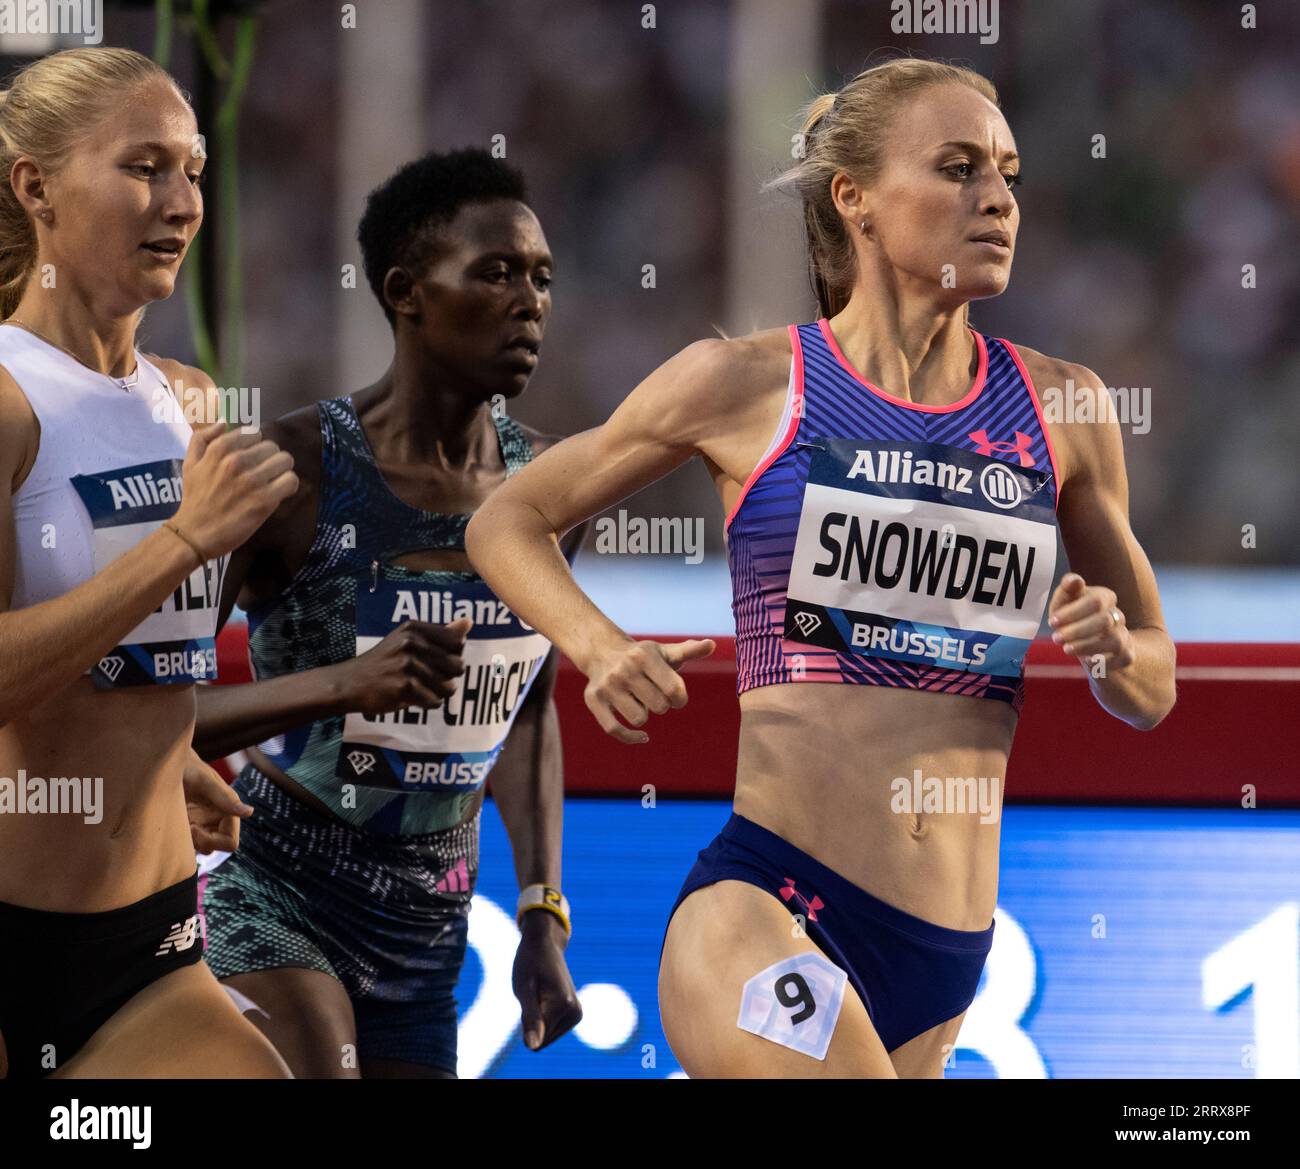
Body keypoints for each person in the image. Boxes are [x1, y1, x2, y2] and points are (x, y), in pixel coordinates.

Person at [465, 58, 1177, 1078]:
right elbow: (507, 519)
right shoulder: (747, 383)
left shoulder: (1064, 407)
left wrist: (1112, 650)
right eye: (958, 168)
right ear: (856, 200)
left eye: (1008, 174)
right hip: (767, 909)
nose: (998, 199)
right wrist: (596, 644)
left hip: (942, 956)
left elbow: (1153, 686)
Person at [193, 149, 583, 1079]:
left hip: (429, 930)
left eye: (541, 277)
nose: (529, 300)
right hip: (274, 888)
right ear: (407, 292)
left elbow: (526, 711)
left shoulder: (555, 490)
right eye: (493, 272)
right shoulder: (285, 472)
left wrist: (541, 912)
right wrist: (346, 683)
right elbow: (154, 713)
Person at [0, 47, 295, 1079]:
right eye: (143, 168)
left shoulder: (190, 403)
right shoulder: (7, 401)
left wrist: (167, 757)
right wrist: (183, 539)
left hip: (151, 949)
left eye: (194, 170)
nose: (180, 202)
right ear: (34, 186)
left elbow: (124, 658)